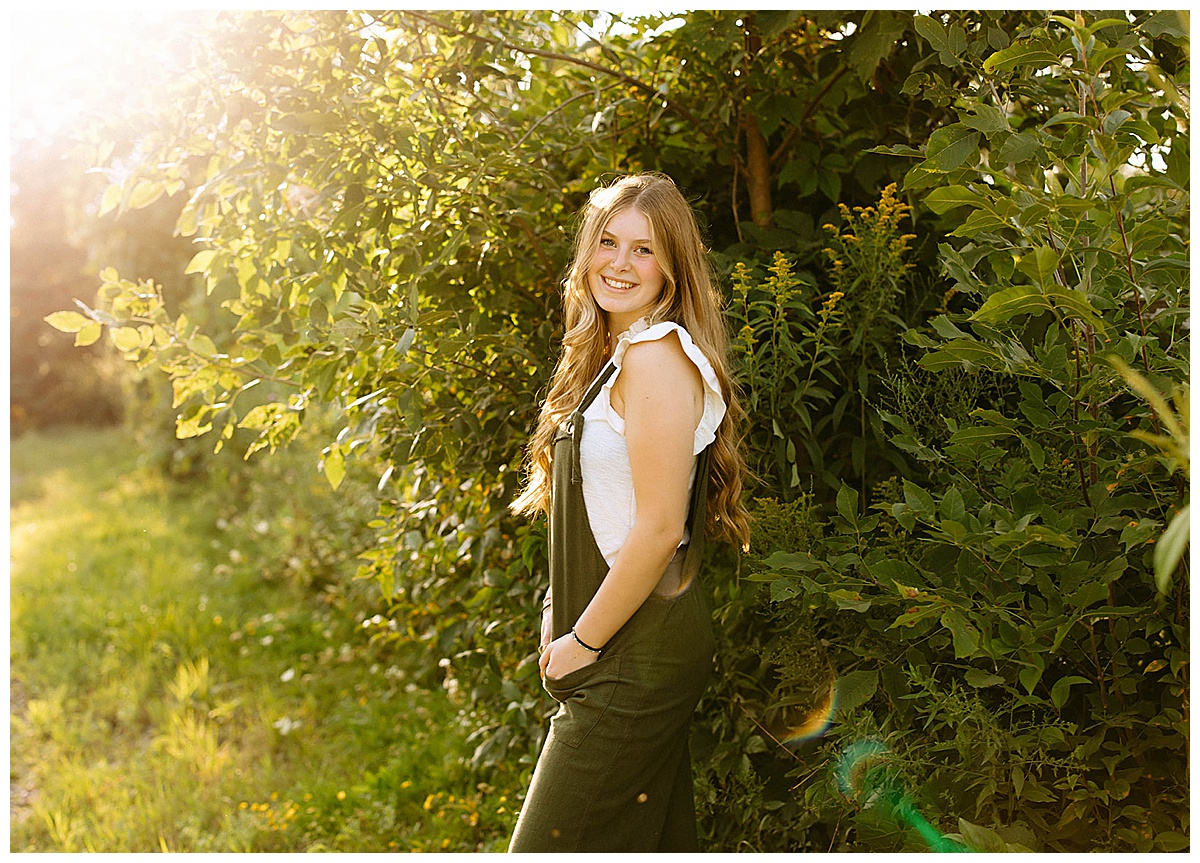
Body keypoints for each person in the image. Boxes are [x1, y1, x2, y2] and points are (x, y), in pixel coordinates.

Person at [508, 172, 751, 852]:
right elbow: (598, 510)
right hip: (615, 637)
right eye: (608, 242)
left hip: (639, 651)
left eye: (644, 250)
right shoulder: (613, 357)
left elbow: (658, 529)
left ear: (673, 268)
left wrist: (583, 643)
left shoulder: (657, 357)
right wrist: (562, 609)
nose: (619, 263)